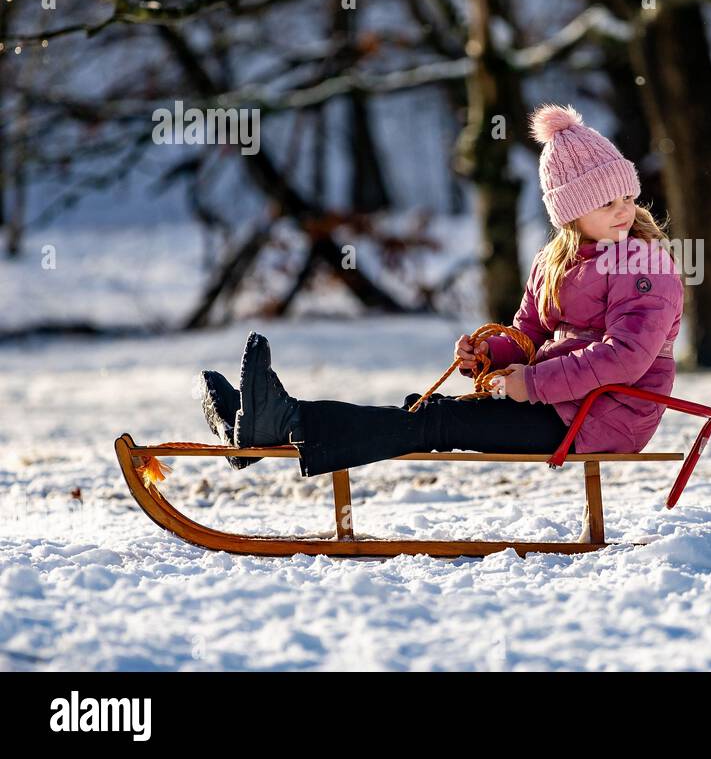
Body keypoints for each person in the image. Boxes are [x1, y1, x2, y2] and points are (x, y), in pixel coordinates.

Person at [197, 103, 685, 478]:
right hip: (558, 403)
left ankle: (280, 423)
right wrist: (488, 355)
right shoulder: (556, 259)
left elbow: (627, 356)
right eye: (606, 203)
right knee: (426, 412)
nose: (623, 210)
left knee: (435, 422)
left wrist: (532, 384)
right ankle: (273, 422)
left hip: (604, 417)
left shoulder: (643, 262)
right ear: (570, 213)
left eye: (627, 196)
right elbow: (529, 332)